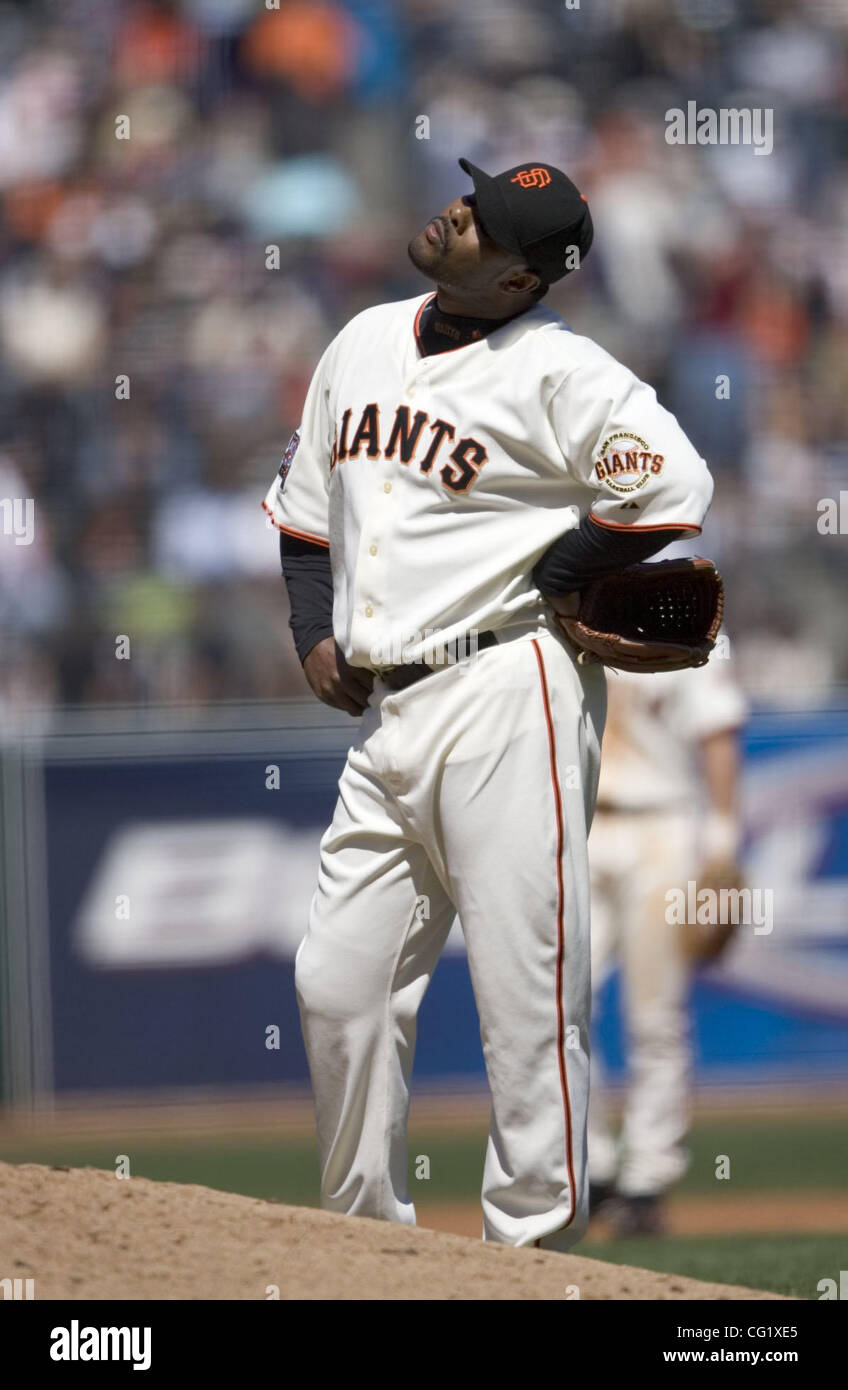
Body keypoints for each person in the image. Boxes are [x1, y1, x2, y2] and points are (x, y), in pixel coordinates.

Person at [263, 157, 714, 1249]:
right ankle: (368, 1244)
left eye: (482, 224)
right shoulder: (363, 337)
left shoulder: (563, 372)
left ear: (518, 280)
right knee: (336, 980)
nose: (453, 214)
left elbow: (672, 488)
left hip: (511, 689)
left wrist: (561, 576)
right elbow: (305, 511)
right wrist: (310, 630)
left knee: (527, 994)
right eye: (469, 198)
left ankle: (534, 1250)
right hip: (393, 712)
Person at [587, 659, 747, 1236]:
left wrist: (722, 843)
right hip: (577, 823)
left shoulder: (688, 609)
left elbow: (719, 732)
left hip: (663, 825)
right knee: (559, 1005)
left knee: (655, 1012)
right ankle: (591, 1167)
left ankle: (647, 1178)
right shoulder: (560, 597)